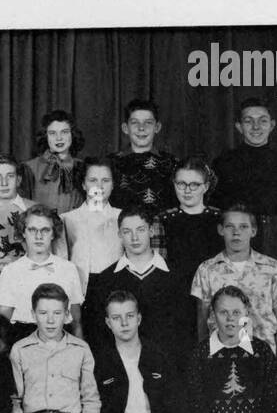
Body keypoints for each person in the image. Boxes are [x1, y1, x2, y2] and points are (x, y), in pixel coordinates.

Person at [191, 204, 277, 383]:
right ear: (220, 230)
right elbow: (202, 322)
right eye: (230, 227)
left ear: (254, 231)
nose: (236, 233)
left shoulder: (272, 268)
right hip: (221, 363)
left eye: (243, 227)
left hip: (263, 363)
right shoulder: (206, 270)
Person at [212, 99, 277, 286]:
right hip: (237, 246)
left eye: (262, 120)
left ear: (272, 125)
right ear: (238, 126)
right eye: (248, 121)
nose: (256, 127)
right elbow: (216, 213)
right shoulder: (223, 163)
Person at [84, 205, 182, 365]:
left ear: (151, 231)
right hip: (121, 368)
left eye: (141, 230)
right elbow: (98, 333)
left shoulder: (176, 277)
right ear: (119, 235)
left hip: (167, 368)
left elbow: (184, 331)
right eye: (127, 231)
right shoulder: (104, 280)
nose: (134, 238)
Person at [185, 286, 277, 413]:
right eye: (223, 312)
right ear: (213, 314)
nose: (230, 318)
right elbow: (195, 401)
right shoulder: (200, 353)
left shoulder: (262, 351)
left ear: (246, 313)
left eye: (236, 312)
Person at [9, 284, 101, 413]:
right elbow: (16, 400)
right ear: (33, 314)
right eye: (43, 313)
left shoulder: (81, 349)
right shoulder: (20, 350)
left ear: (66, 315)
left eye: (57, 313)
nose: (50, 320)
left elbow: (90, 397)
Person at [94, 288, 181, 413]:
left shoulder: (159, 356)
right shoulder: (100, 361)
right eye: (116, 318)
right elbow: (95, 407)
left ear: (139, 319)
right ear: (108, 323)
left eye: (130, 316)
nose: (124, 323)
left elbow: (177, 401)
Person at [0, 206, 83, 350]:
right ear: (23, 232)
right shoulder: (10, 271)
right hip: (23, 340)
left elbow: (76, 321)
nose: (38, 236)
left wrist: (81, 353)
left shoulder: (68, 269)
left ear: (53, 234)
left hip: (61, 342)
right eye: (32, 230)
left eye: (45, 230)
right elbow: (3, 325)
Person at [160, 156, 223, 340]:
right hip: (177, 295)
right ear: (174, 184)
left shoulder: (219, 218)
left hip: (213, 295)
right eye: (181, 184)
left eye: (194, 185)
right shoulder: (164, 219)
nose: (187, 190)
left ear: (206, 186)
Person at [108, 99, 177, 246]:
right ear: (125, 128)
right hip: (120, 239)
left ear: (157, 127)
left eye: (148, 123)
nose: (141, 128)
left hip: (161, 239)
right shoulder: (110, 163)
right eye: (135, 123)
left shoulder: (172, 163)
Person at [62, 157, 122, 294]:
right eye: (93, 180)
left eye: (105, 181)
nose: (99, 186)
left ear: (113, 184)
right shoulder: (67, 219)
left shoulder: (122, 218)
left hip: (114, 289)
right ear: (83, 184)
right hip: (78, 290)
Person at [21, 109, 85, 214]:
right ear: (45, 136)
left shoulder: (83, 167)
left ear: (72, 135)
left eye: (64, 132)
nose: (59, 138)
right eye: (52, 133)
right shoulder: (28, 168)